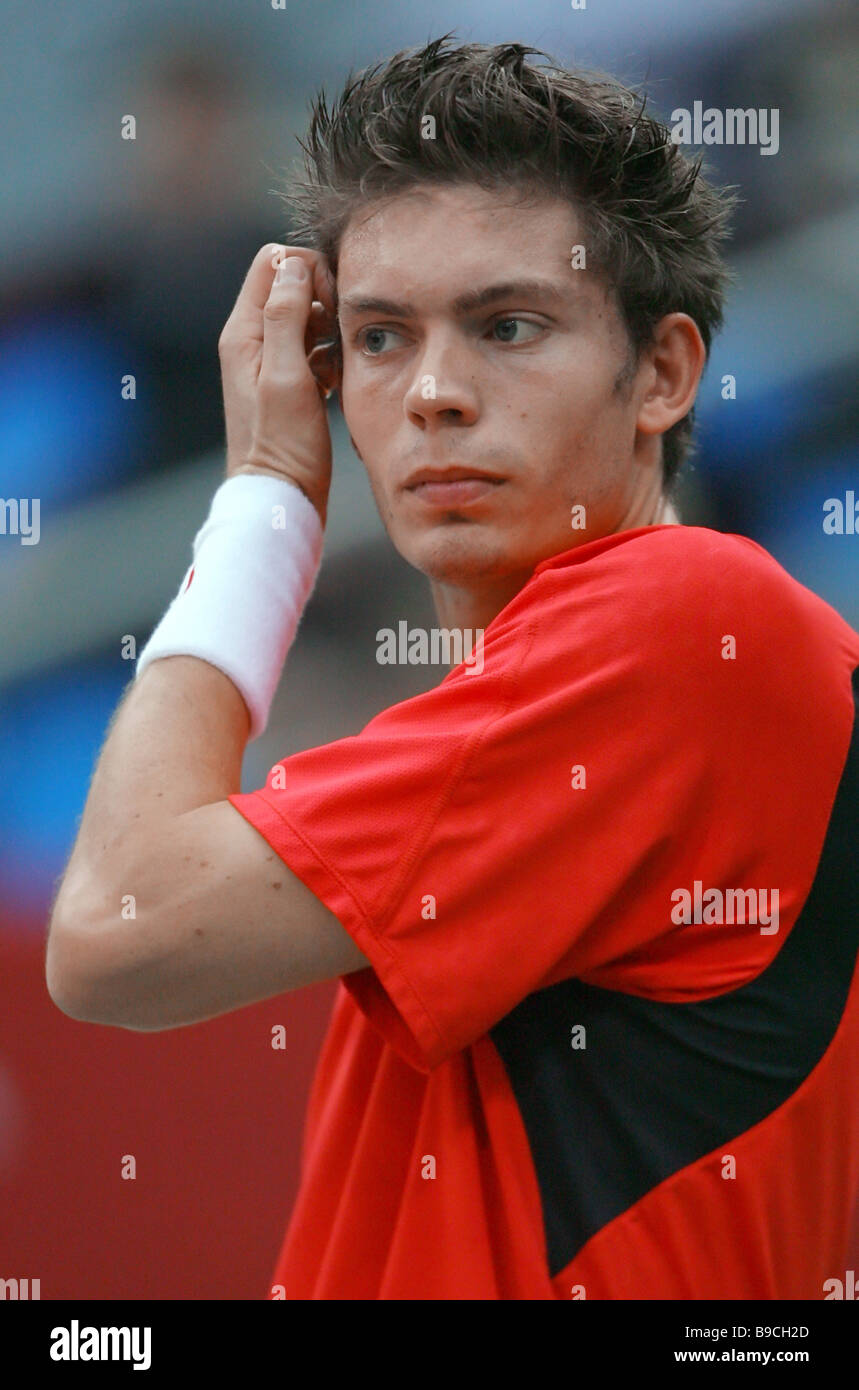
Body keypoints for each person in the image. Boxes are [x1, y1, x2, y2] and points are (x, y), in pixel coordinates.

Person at [46, 37, 859, 1300]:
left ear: (661, 372)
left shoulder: (682, 618)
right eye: (377, 338)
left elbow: (116, 931)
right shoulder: (560, 685)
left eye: (508, 325)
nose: (431, 392)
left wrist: (265, 498)